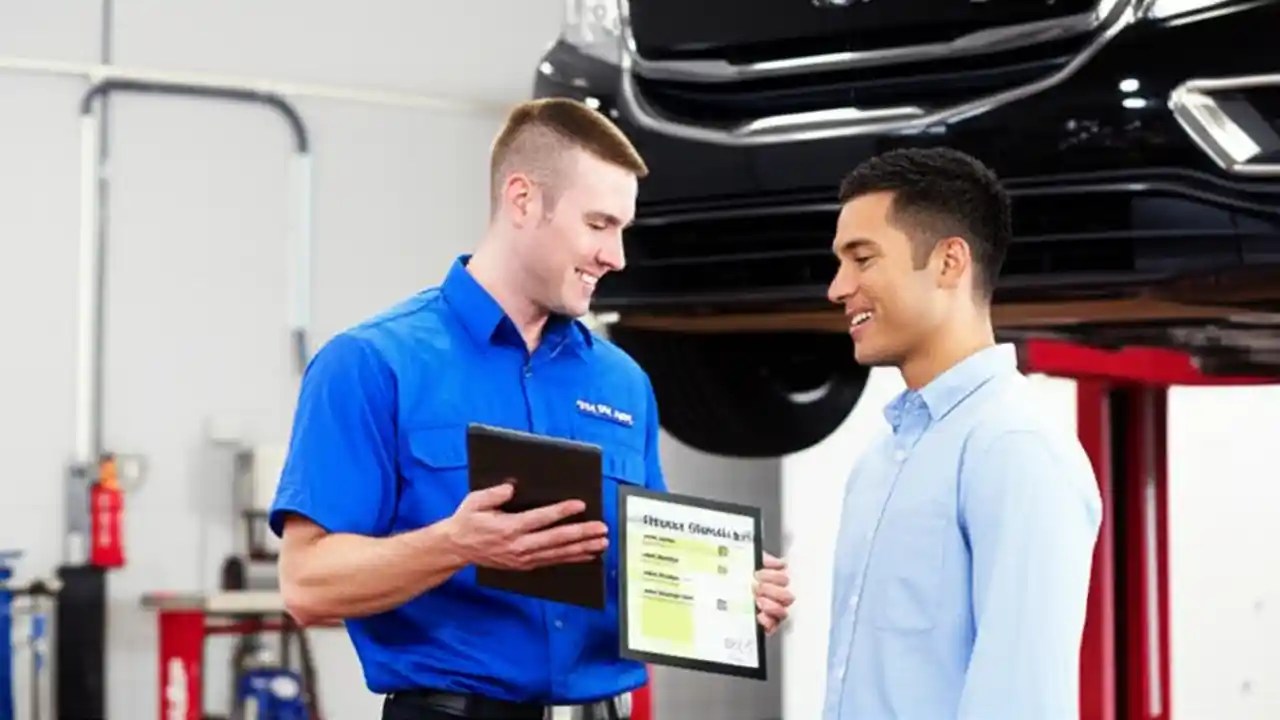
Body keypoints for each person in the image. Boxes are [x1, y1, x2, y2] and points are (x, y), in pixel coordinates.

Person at [268, 97, 794, 720]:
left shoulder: (623, 382)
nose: (617, 256)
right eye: (598, 225)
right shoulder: (372, 365)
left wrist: (725, 595)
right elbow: (306, 586)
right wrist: (456, 545)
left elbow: (639, 583)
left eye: (623, 229)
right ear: (522, 200)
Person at [821, 147, 1103, 719]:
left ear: (950, 262)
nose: (837, 287)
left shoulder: (1016, 447)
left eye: (862, 258)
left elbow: (1021, 701)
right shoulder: (880, 458)